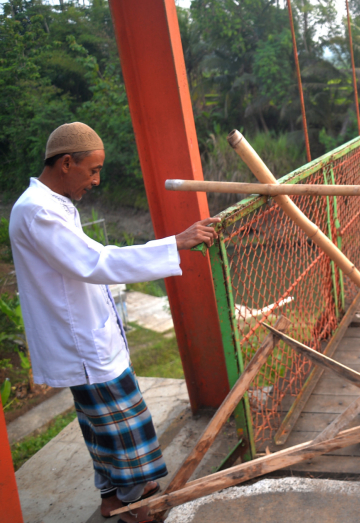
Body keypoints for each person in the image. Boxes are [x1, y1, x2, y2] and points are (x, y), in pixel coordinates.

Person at [9, 122, 219, 523]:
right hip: (81, 344)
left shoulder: (49, 204)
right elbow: (97, 262)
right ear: (66, 163)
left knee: (102, 429)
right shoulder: (37, 212)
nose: (97, 180)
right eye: (92, 170)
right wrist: (174, 242)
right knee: (126, 431)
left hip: (87, 337)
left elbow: (90, 260)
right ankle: (138, 506)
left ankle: (114, 500)